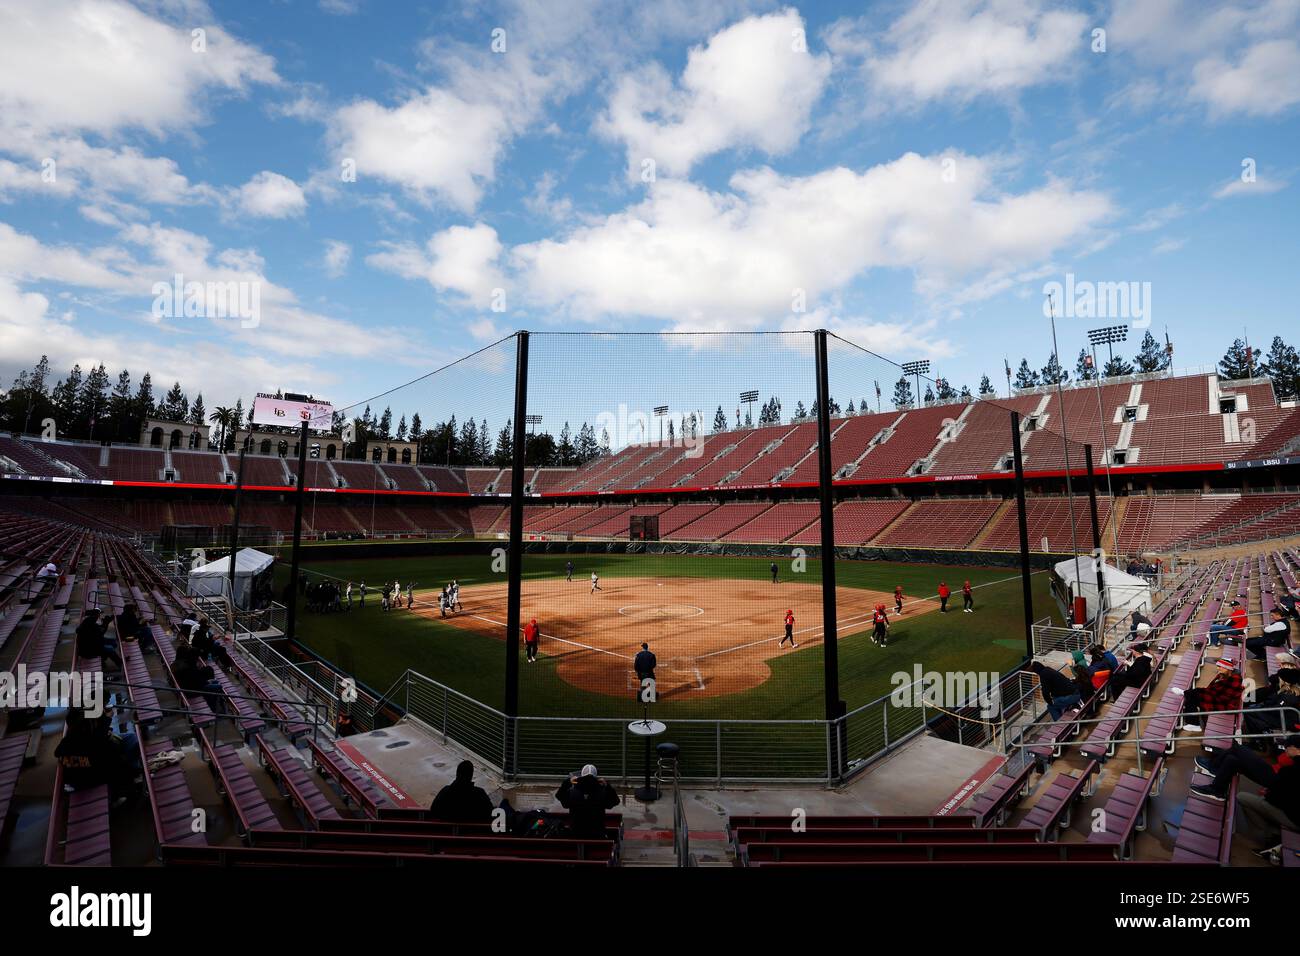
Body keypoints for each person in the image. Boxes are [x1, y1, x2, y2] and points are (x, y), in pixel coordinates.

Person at [1190, 735, 1300, 856]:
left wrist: (1268, 795)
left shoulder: (1292, 771)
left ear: (1298, 750)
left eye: (1288, 746)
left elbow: (1277, 796)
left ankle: (1270, 834)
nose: (1285, 748)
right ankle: (1217, 789)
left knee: (1242, 795)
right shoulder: (1291, 768)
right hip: (1279, 787)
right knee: (1233, 759)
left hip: (1293, 817)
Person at [54, 708, 140, 805]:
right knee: (119, 763)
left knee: (131, 740)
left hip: (96, 765)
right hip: (89, 777)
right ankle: (124, 794)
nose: (93, 723)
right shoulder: (75, 743)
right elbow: (100, 758)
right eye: (91, 722)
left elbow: (101, 734)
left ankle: (133, 773)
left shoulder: (84, 734)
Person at [1180, 658, 1244, 732]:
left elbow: (1224, 697)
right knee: (1193, 695)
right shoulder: (1222, 675)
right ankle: (1194, 723)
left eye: (1220, 666)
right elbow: (1212, 689)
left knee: (1192, 696)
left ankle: (1194, 723)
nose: (1218, 668)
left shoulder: (1234, 679)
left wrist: (1203, 693)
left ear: (1228, 668)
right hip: (1218, 698)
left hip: (1226, 705)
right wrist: (1203, 693)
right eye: (1218, 666)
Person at [555, 764, 619, 839]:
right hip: (597, 836)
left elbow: (559, 796)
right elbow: (615, 801)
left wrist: (567, 782)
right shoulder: (602, 792)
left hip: (576, 835)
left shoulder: (572, 793)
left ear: (581, 776)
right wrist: (607, 786)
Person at [430, 759, 494, 824]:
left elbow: (434, 811)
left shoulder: (445, 791)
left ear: (457, 774)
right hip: (473, 832)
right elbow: (491, 813)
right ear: (471, 776)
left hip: (448, 831)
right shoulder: (480, 793)